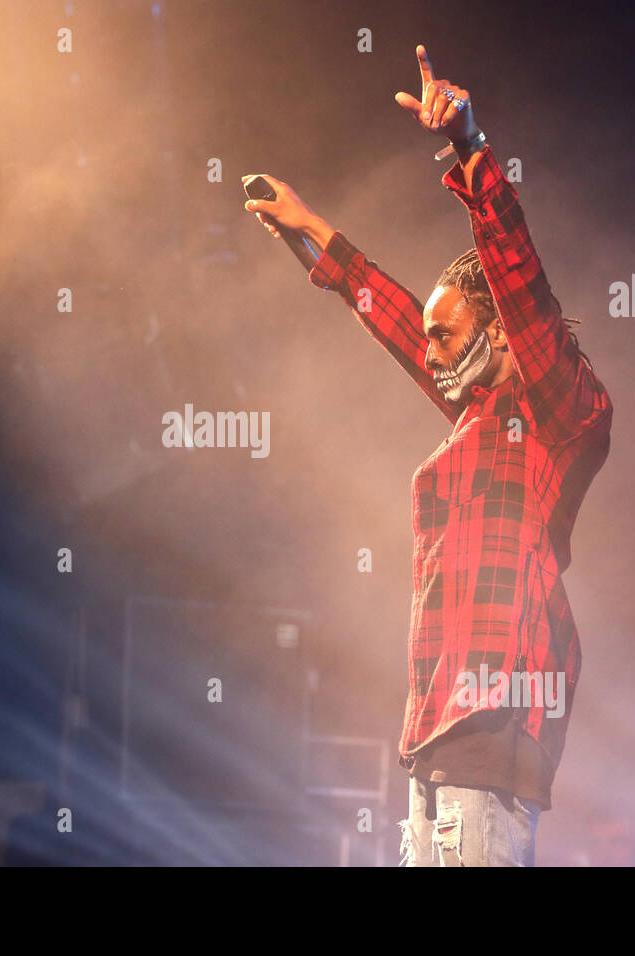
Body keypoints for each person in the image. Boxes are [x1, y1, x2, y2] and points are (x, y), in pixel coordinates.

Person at [243, 44, 613, 866]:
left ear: (504, 332)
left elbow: (517, 273)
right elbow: (403, 324)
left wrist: (471, 149)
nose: (436, 353)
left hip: (492, 728)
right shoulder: (478, 410)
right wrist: (310, 234)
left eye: (455, 336)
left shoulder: (557, 411)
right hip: (434, 735)